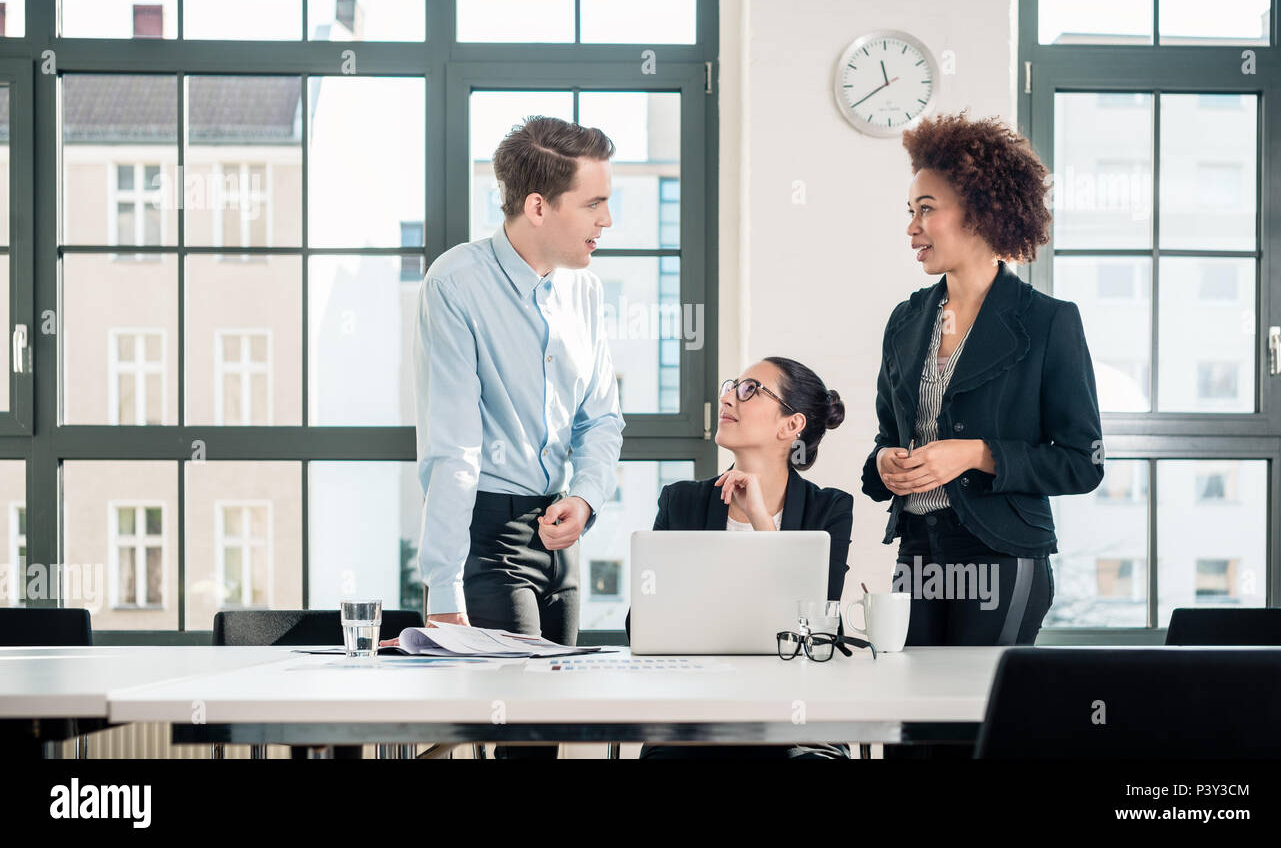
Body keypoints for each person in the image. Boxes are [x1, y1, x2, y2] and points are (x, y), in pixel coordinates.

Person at [860, 111, 1104, 758]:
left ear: (979, 209)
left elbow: (1082, 460)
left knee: (976, 735)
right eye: (909, 210)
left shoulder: (1049, 322)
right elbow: (887, 434)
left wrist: (976, 453)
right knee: (912, 734)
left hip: (1003, 554)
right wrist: (885, 461)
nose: (911, 228)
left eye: (926, 209)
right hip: (919, 549)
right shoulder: (905, 321)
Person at [413, 116, 626, 758]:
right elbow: (453, 448)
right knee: (524, 737)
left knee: (550, 729)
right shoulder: (456, 284)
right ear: (538, 206)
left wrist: (586, 498)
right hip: (489, 534)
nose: (607, 221)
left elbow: (601, 418)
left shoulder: (584, 292)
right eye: (594, 204)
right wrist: (443, 593)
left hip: (559, 531)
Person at [628, 357, 854, 759]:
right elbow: (642, 624)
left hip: (797, 718)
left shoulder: (829, 510)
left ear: (792, 425)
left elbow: (815, 629)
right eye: (732, 386)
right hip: (699, 713)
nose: (729, 397)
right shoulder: (682, 502)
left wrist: (761, 520)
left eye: (749, 390)